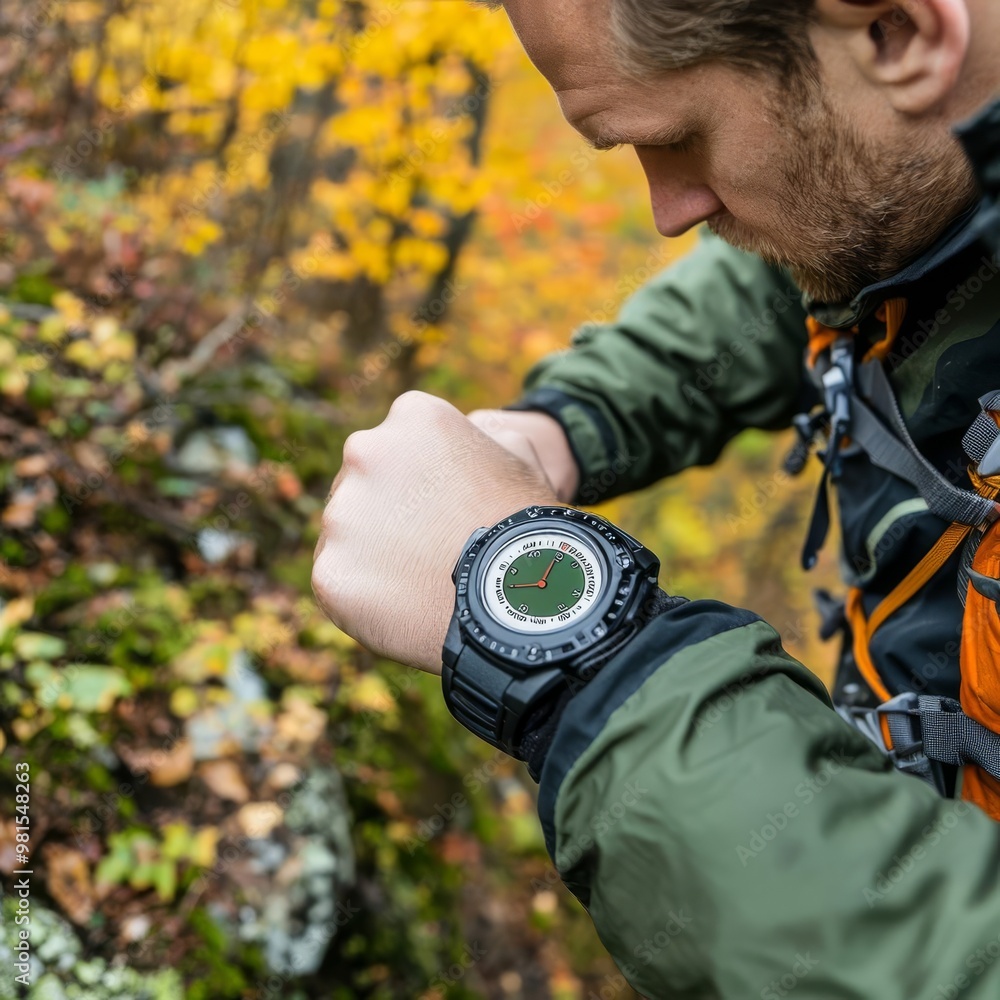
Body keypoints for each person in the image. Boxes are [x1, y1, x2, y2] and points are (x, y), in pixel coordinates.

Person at [312, 0, 1000, 995]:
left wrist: (571, 648)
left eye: (681, 139)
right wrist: (568, 424)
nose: (669, 210)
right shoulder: (914, 161)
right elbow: (812, 259)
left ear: (899, 34)